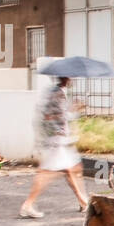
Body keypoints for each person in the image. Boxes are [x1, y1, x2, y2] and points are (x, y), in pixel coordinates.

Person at [20, 76, 88, 218]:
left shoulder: (54, 91)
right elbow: (62, 117)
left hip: (56, 138)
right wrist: (76, 110)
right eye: (70, 77)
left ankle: (83, 202)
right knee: (47, 173)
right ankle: (28, 205)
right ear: (66, 78)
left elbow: (55, 114)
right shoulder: (58, 93)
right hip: (57, 140)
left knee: (73, 169)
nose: (72, 80)